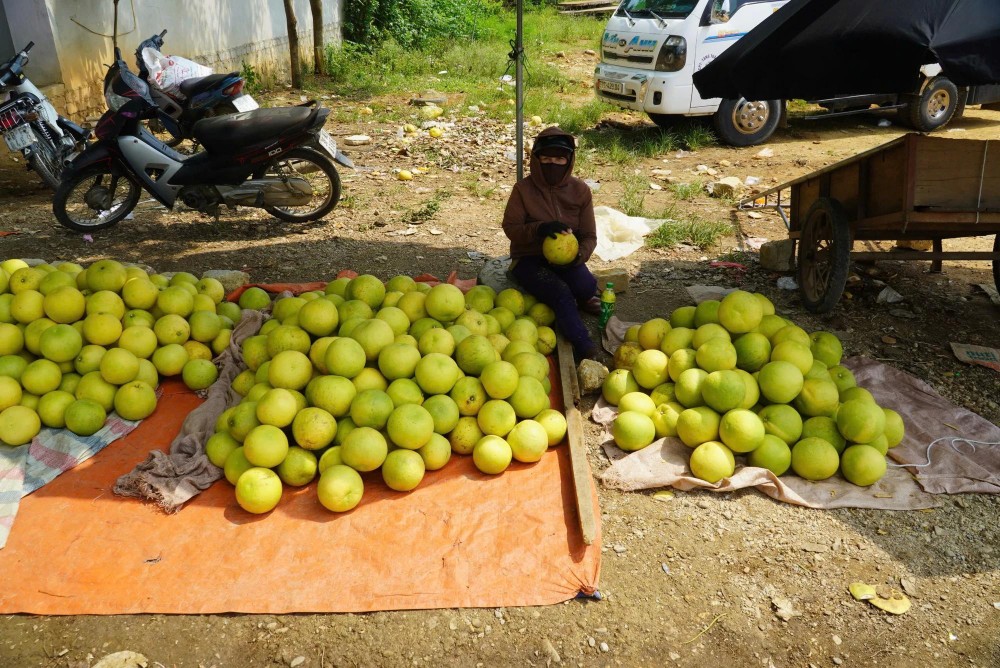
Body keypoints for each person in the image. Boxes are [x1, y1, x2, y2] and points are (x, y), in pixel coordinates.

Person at [502, 126, 600, 359]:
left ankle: (582, 297)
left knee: (587, 287)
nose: (552, 164)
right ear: (536, 159)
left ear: (569, 160)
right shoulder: (523, 190)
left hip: (565, 258)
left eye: (559, 158)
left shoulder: (580, 191)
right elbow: (511, 228)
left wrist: (578, 256)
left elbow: (589, 236)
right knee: (561, 293)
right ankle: (584, 346)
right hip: (528, 258)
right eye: (546, 158)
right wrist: (540, 229)